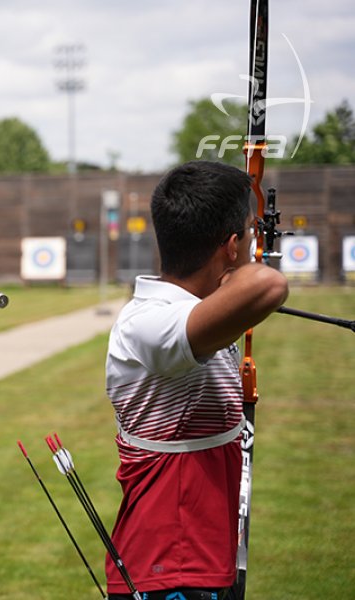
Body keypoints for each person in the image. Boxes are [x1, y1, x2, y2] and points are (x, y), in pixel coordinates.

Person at [104, 161, 288, 599]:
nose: (256, 241)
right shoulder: (149, 325)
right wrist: (240, 266)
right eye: (251, 231)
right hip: (169, 564)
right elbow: (268, 285)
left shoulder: (191, 313)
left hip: (201, 557)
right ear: (231, 246)